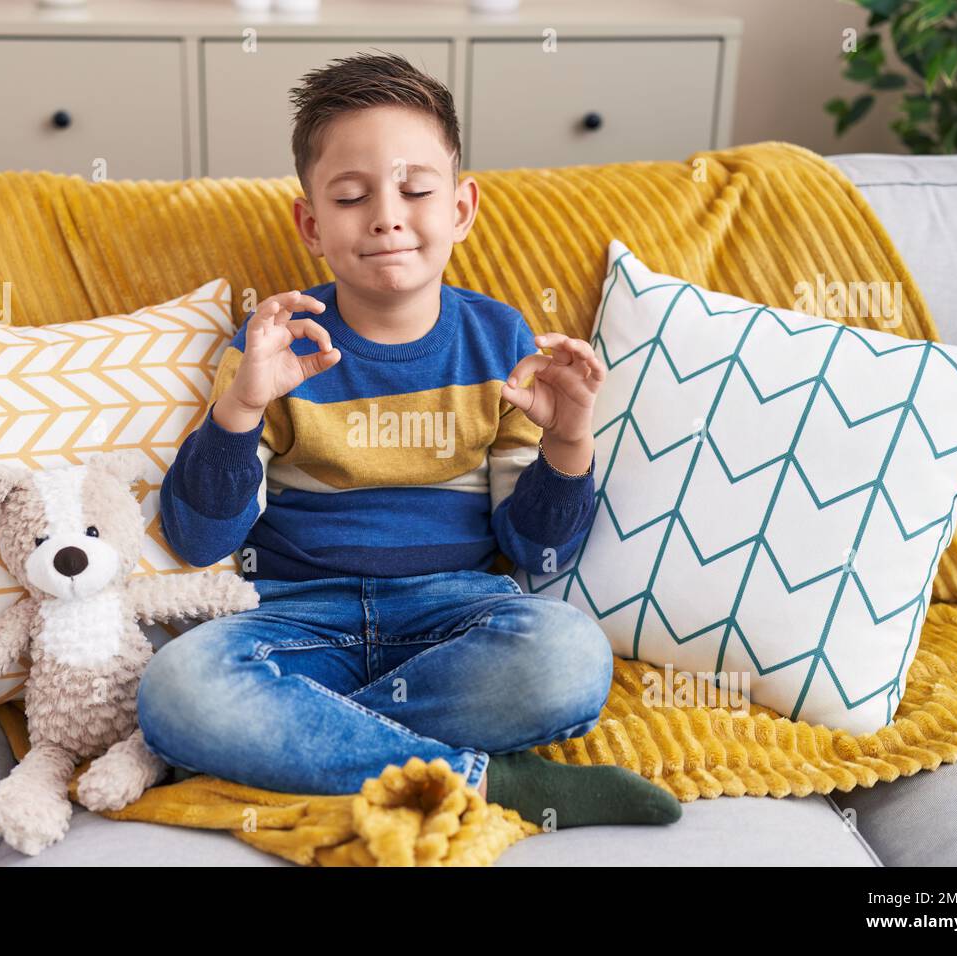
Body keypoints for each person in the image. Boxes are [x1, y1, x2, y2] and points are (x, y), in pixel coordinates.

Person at [142, 52, 681, 829]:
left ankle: (308, 740)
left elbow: (540, 556)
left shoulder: (499, 338)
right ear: (311, 225)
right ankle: (486, 782)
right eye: (352, 196)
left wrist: (567, 444)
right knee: (178, 686)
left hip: (454, 619)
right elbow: (198, 539)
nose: (388, 215)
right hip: (295, 619)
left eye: (416, 189)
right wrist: (240, 407)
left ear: (460, 208)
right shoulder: (275, 346)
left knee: (569, 654)